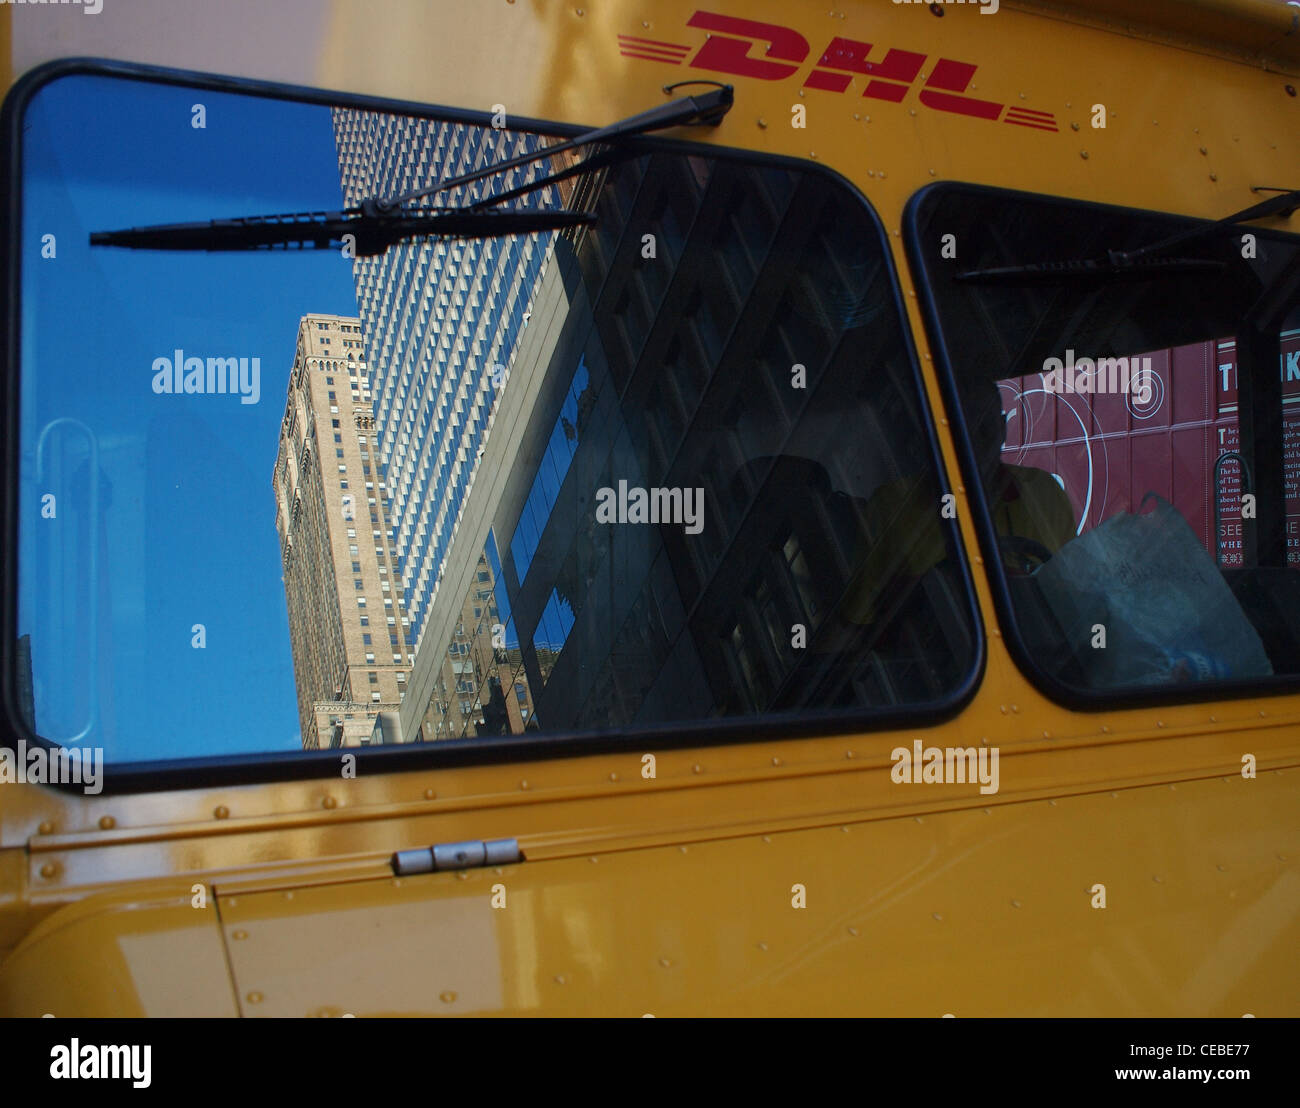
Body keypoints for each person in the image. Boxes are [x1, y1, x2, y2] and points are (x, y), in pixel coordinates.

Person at [836, 375, 1077, 628]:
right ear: (936, 435)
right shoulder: (892, 505)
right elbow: (855, 622)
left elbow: (1075, 599)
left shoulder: (1044, 493)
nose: (973, 448)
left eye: (985, 431)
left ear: (1003, 429)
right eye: (960, 432)